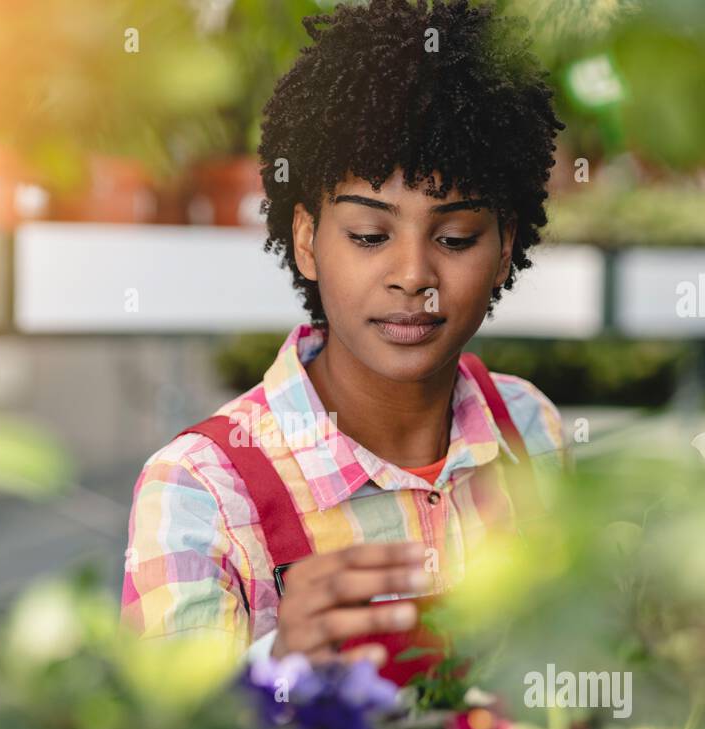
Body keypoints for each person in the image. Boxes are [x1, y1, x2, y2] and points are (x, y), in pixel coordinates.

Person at [121, 0, 569, 677]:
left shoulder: (530, 429)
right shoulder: (201, 489)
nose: (414, 275)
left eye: (454, 238)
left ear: (506, 246)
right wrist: (277, 667)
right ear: (306, 241)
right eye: (369, 235)